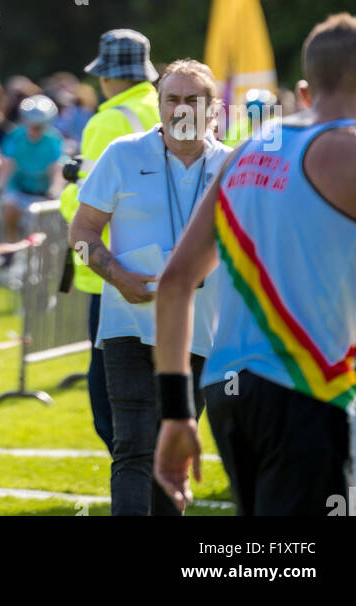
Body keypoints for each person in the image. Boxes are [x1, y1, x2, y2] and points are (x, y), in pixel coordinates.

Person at [153, 14, 356, 517]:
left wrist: (177, 413)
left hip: (228, 390)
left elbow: (176, 280)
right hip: (307, 386)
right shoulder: (351, 153)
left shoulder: (248, 149)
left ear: (305, 87)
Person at [70, 58, 229, 515]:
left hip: (198, 331)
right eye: (172, 98)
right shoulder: (122, 153)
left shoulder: (232, 165)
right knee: (134, 445)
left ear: (213, 110)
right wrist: (116, 274)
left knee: (173, 450)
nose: (181, 108)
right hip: (127, 326)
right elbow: (80, 237)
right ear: (158, 105)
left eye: (192, 100)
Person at [59, 29, 162, 457]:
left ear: (107, 77)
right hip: (166, 266)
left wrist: (64, 188)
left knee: (111, 402)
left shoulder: (109, 121)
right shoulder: (165, 107)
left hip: (113, 274)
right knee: (164, 386)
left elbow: (83, 208)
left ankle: (140, 481)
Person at [0, 95, 64, 243]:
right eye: (32, 125)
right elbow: (6, 163)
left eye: (39, 126)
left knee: (45, 231)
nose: (35, 130)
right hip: (20, 188)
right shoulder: (16, 136)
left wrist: (55, 188)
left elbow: (57, 167)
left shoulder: (53, 139)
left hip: (43, 192)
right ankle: (10, 247)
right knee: (9, 208)